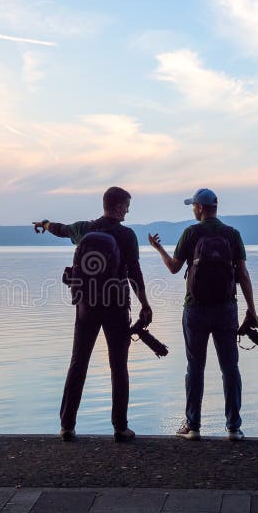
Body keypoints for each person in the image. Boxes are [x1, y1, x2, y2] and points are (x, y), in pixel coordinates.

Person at [33, 186, 153, 443]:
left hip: (86, 305)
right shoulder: (127, 235)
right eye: (127, 206)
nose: (128, 210)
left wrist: (45, 224)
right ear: (118, 206)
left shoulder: (85, 228)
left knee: (78, 362)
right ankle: (120, 427)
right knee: (118, 366)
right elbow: (134, 272)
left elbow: (62, 229)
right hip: (117, 306)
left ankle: (67, 426)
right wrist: (144, 303)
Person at [148, 188, 258, 441]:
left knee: (195, 367)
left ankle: (193, 426)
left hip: (195, 309)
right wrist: (252, 310)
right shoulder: (232, 234)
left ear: (200, 208)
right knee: (230, 367)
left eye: (193, 206)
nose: (193, 210)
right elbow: (242, 274)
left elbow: (175, 268)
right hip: (226, 308)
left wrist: (159, 249)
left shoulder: (192, 232)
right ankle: (234, 428)